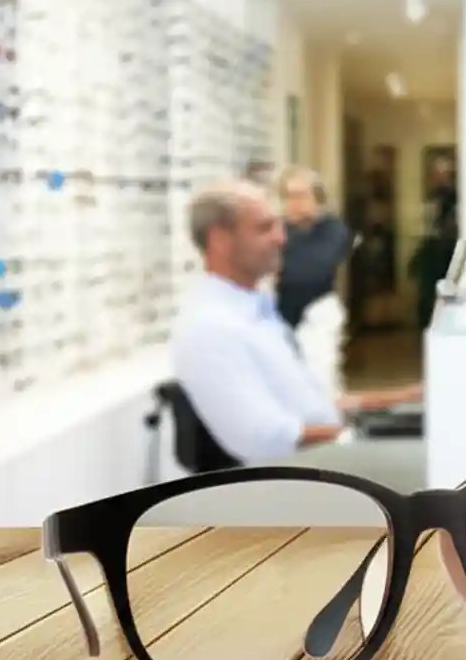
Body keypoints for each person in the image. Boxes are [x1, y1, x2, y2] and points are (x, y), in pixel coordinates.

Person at [172, 179, 423, 467]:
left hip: (319, 460)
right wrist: (361, 438)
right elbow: (266, 439)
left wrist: (407, 397)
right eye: (265, 228)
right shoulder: (211, 328)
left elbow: (315, 408)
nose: (282, 238)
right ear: (219, 240)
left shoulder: (255, 310)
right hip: (294, 483)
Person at [274, 165, 354, 329]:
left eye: (300, 196)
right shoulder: (278, 229)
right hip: (280, 317)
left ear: (318, 198)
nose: (294, 203)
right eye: (288, 196)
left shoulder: (334, 228)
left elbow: (313, 271)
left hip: (318, 318)